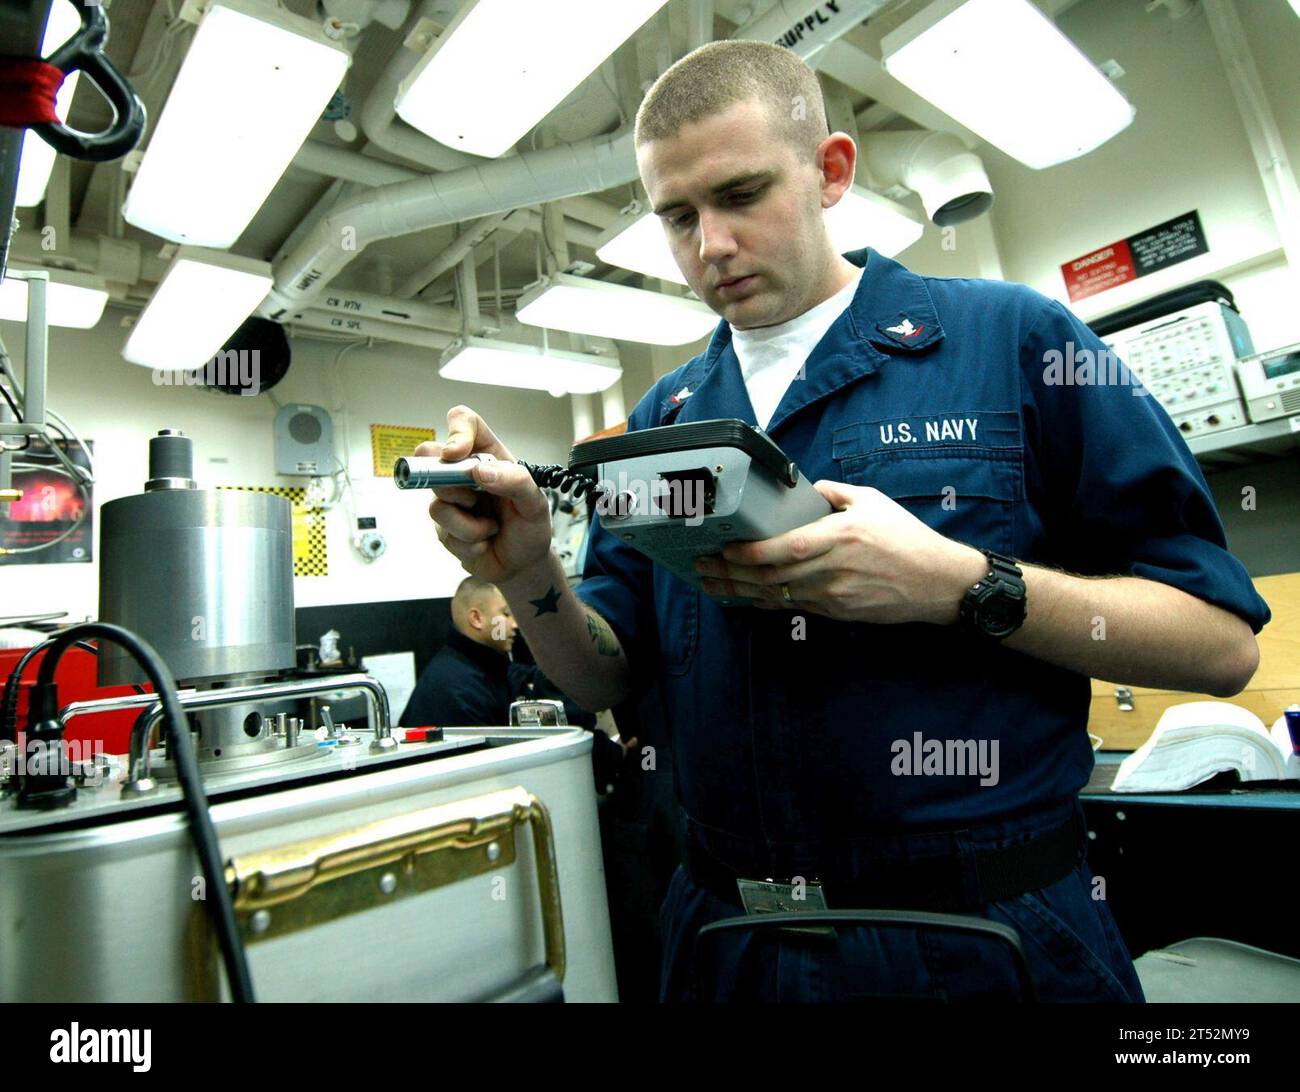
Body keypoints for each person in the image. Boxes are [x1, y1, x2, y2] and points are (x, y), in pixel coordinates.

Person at [420, 40, 1270, 1002]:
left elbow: (1219, 646)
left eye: (741, 195)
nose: (712, 246)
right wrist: (529, 573)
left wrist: (961, 587)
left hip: (984, 940)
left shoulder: (1015, 342)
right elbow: (606, 671)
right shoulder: (661, 421)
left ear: (831, 171)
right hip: (730, 938)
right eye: (678, 216)